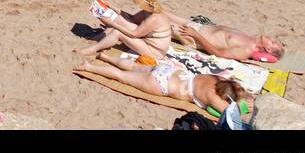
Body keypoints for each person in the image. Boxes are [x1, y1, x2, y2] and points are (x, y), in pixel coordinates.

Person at [75, 52, 252, 116]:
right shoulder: (212, 97)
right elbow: (229, 113)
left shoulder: (218, 79)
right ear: (226, 97)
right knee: (122, 77)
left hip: (170, 71)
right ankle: (89, 67)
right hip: (163, 85)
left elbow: (231, 83)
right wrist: (243, 107)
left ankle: (106, 57)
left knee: (133, 66)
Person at [80, 0, 173, 60]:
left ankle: (94, 49)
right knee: (120, 19)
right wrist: (112, 7)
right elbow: (131, 18)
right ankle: (100, 37)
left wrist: (111, 23)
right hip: (148, 40)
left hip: (155, 52)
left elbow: (133, 34)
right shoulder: (148, 12)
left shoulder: (153, 18)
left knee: (117, 32)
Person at [162, 9, 286, 62]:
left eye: (273, 42)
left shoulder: (246, 50)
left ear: (268, 49)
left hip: (191, 36)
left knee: (155, 20)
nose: (271, 38)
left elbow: (219, 54)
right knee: (157, 9)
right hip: (196, 27)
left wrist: (196, 36)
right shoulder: (251, 39)